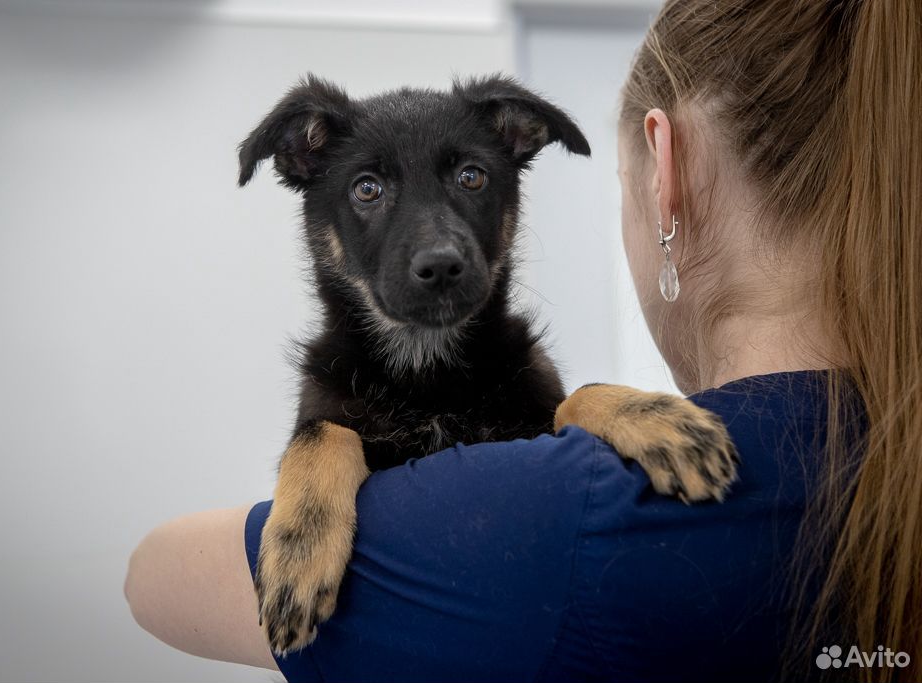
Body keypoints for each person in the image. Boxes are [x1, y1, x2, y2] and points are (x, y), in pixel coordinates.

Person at [123, 0, 921, 680]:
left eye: (470, 177)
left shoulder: (561, 503)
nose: (436, 246)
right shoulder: (885, 435)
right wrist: (317, 452)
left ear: (664, 169)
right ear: (309, 180)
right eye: (369, 188)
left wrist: (590, 405)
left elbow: (153, 576)